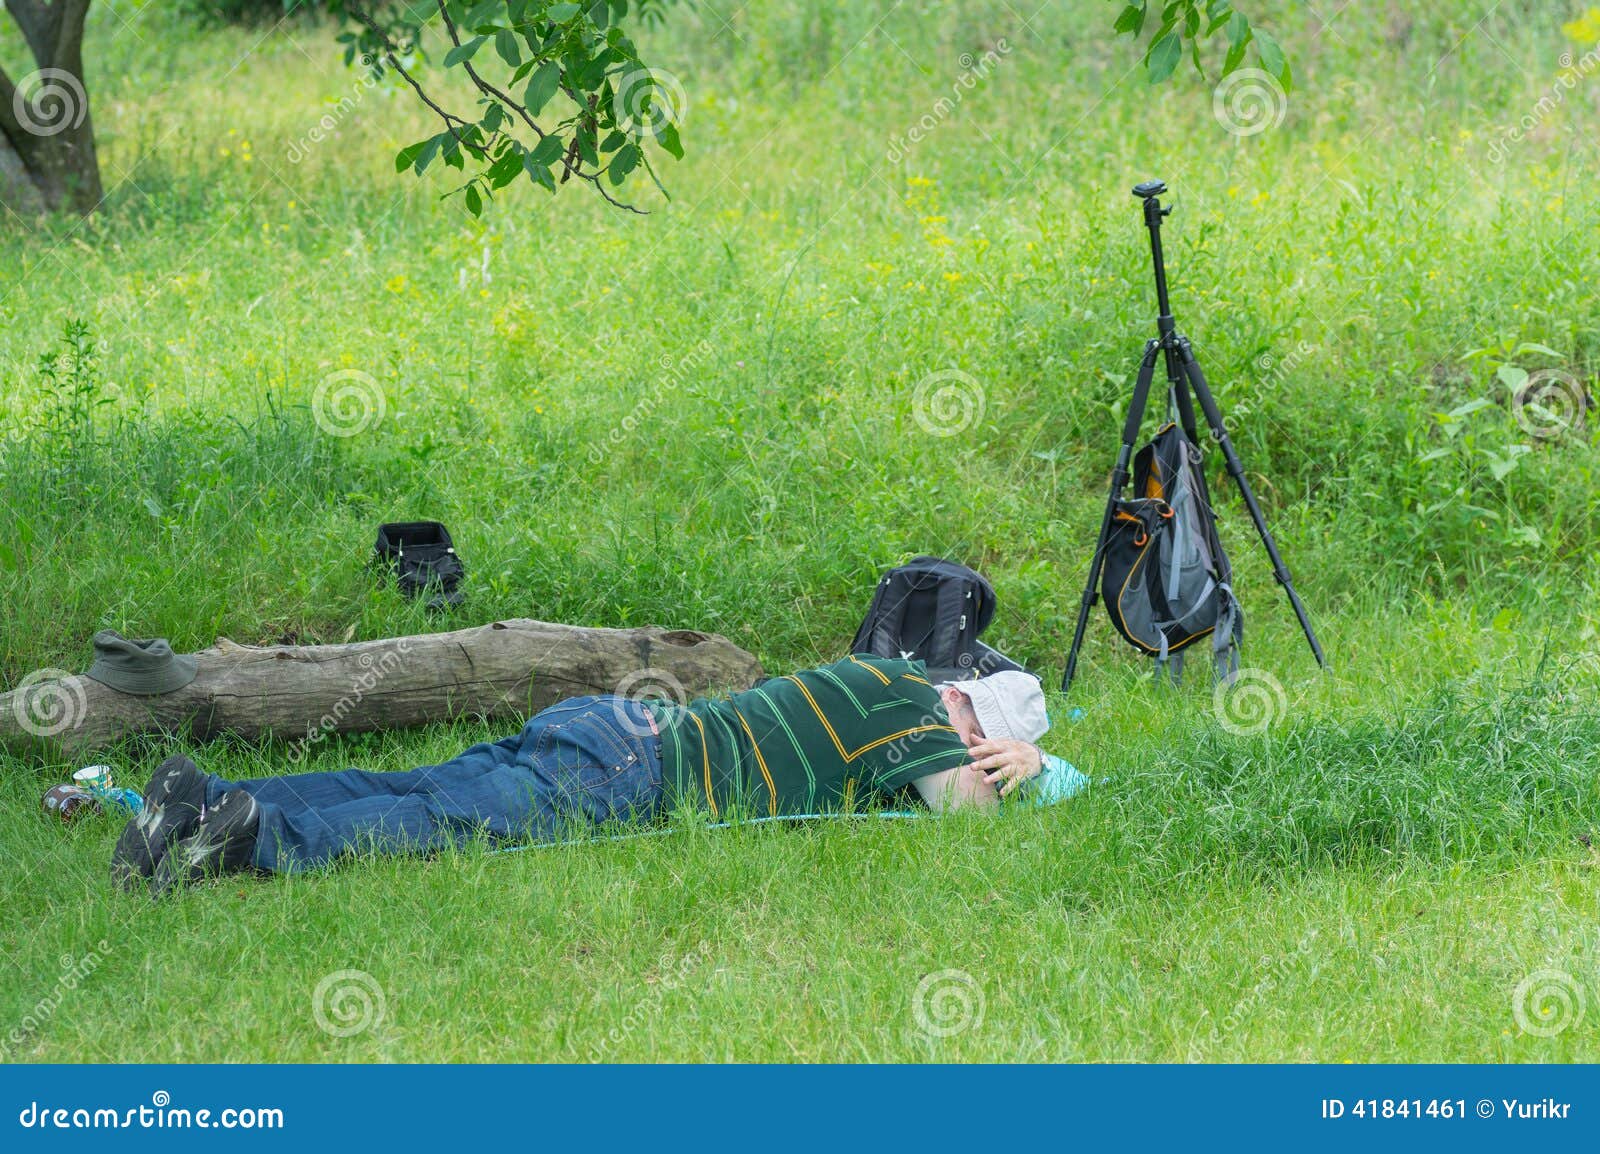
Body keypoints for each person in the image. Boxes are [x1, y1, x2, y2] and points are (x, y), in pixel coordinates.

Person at [111, 656, 1088, 896]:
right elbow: (963, 830)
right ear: (968, 715)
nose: (975, 759)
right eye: (981, 745)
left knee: (420, 782)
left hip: (609, 721)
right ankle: (250, 839)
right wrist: (1032, 771)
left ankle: (198, 800)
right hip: (638, 769)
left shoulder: (868, 679)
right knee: (451, 821)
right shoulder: (916, 708)